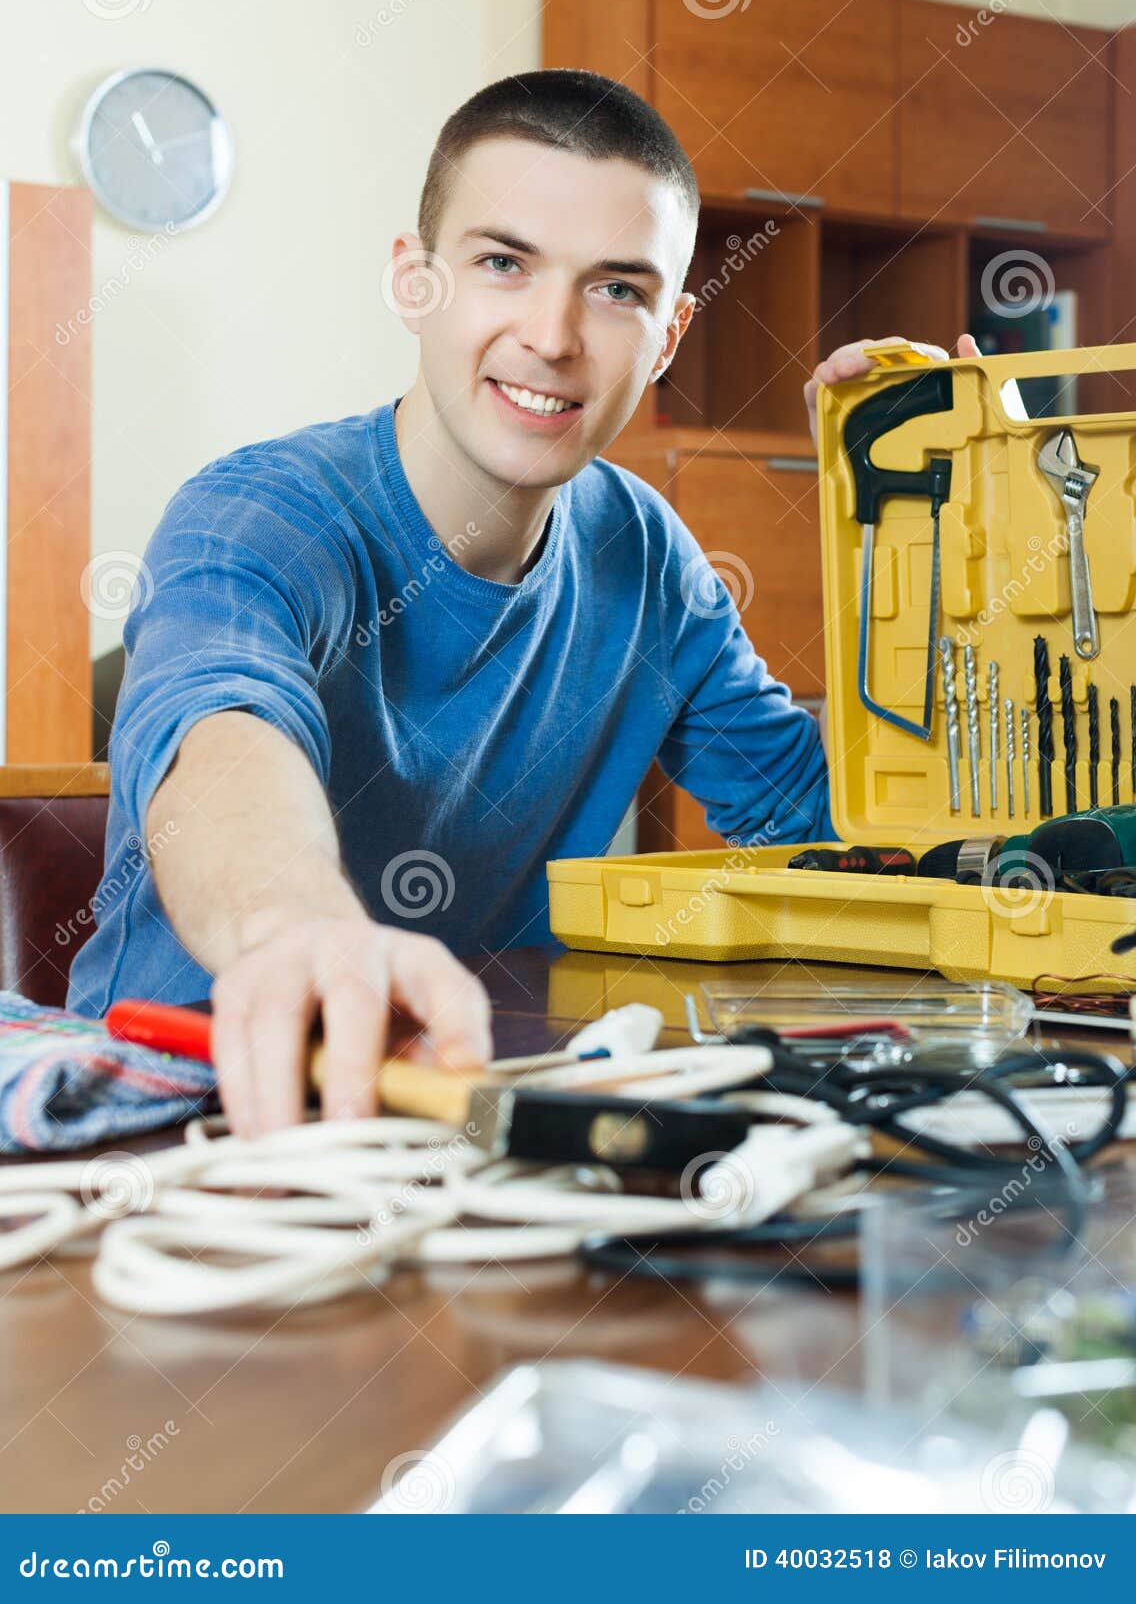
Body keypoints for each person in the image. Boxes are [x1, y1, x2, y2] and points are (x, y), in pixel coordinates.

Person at [67, 68, 979, 1137]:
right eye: (503, 263)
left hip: (476, 1114)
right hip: (182, 1125)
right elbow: (221, 739)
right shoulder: (254, 515)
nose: (551, 335)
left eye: (616, 289)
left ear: (668, 335)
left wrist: (932, 542)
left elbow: (837, 832)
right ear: (415, 282)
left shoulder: (645, 553)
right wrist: (296, 929)